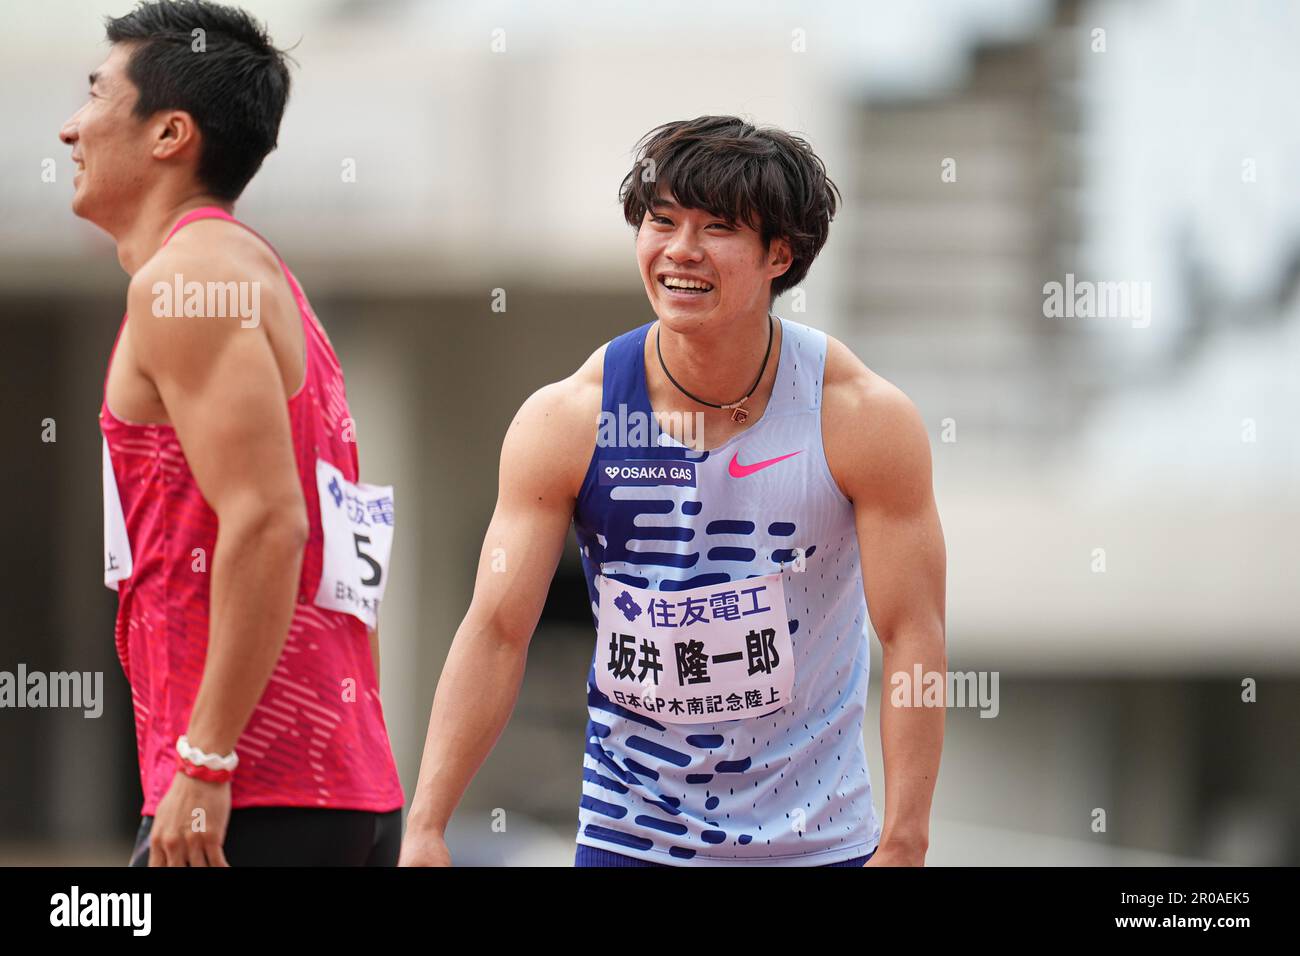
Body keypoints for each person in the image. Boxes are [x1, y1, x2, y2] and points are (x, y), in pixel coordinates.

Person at [400, 115, 946, 867]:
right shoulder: (569, 418)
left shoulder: (859, 417)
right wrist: (427, 824)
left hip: (820, 844)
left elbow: (914, 634)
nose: (680, 250)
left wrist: (907, 839)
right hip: (632, 836)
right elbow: (497, 629)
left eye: (717, 227)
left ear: (779, 254)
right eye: (662, 221)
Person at [61, 0, 403, 866]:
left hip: (248, 794)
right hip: (324, 789)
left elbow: (270, 521)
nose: (70, 129)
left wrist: (206, 758)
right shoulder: (247, 273)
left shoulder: (189, 278)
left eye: (96, 95)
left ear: (169, 133)